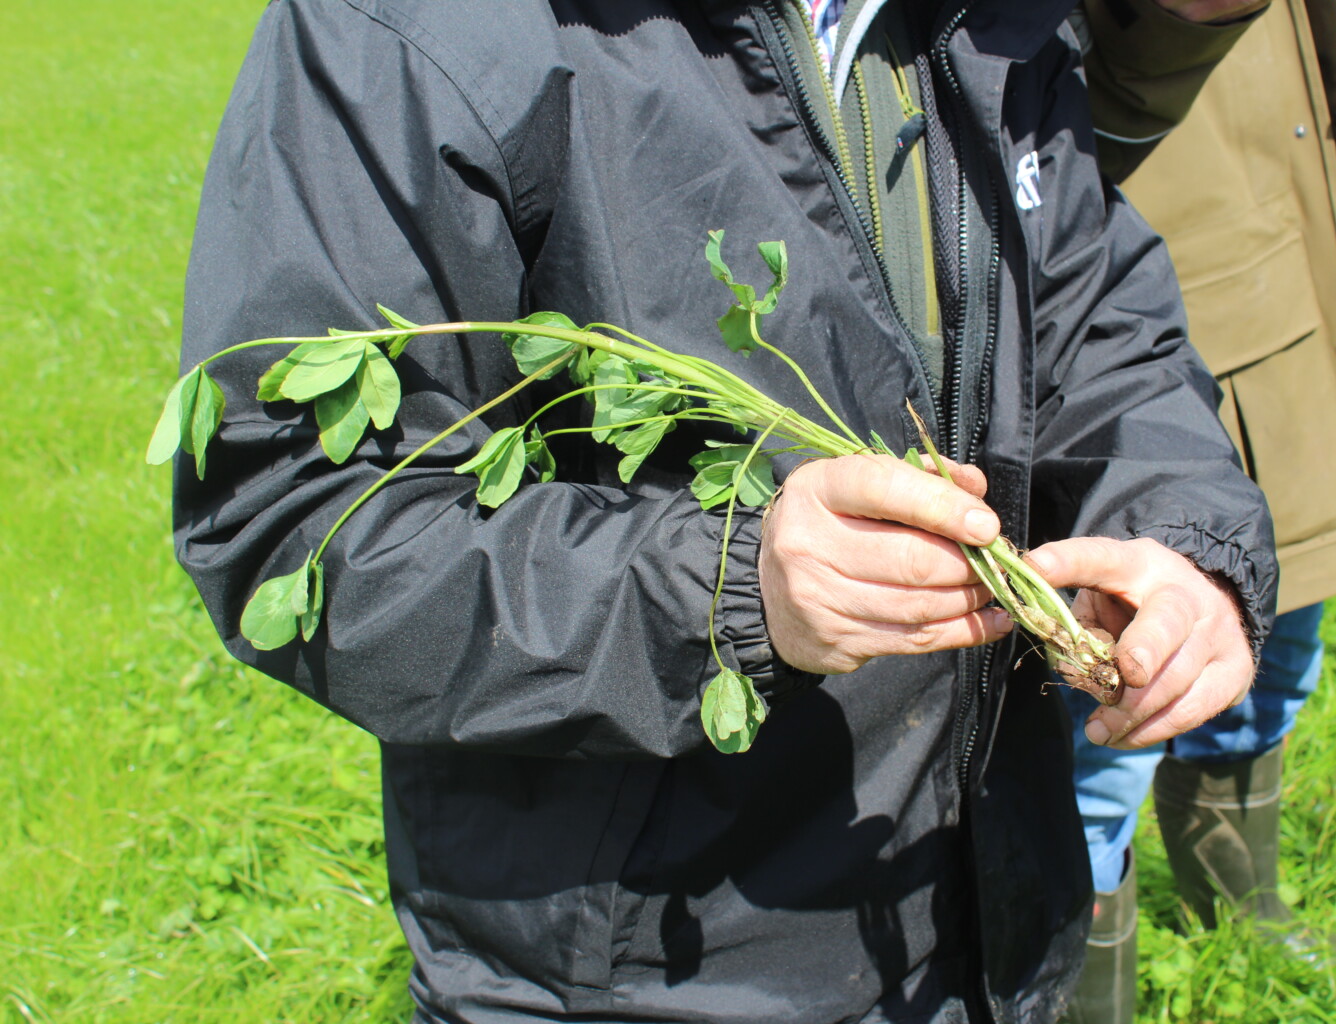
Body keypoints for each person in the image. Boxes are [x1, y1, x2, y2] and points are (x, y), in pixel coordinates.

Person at [172, 2, 1277, 1021]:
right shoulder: (412, 28)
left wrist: (1182, 535)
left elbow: (1093, 315)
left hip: (991, 911)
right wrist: (730, 590)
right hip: (648, 973)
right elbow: (295, 515)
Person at [1061, 0, 1336, 1019]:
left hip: (1295, 296)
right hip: (1137, 340)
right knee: (1108, 721)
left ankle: (1243, 916)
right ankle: (1072, 994)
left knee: (1272, 659)